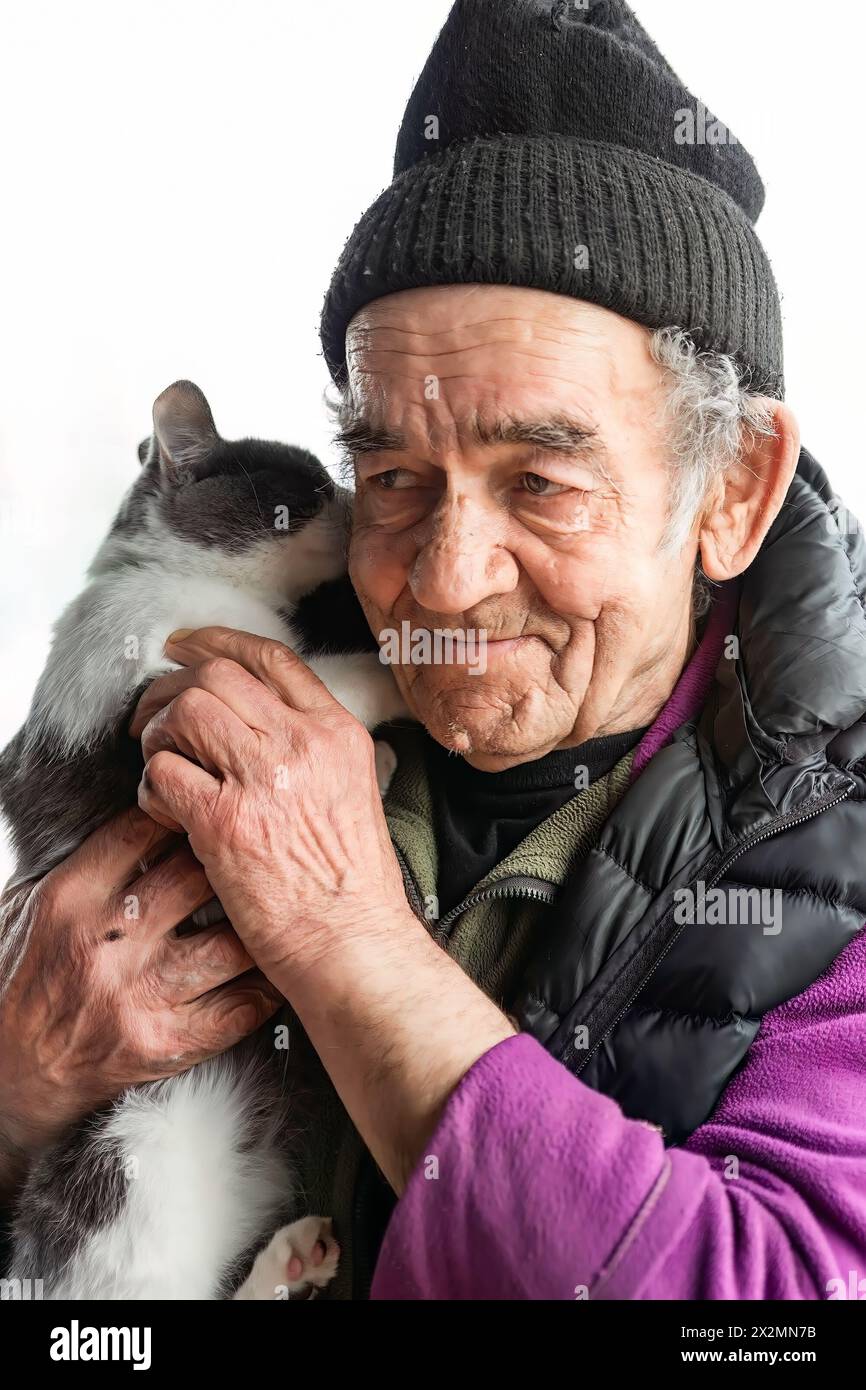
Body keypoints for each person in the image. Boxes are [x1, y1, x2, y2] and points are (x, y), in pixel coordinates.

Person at [2, 0, 865, 1300]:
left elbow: (765, 1305)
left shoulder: (835, 858)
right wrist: (18, 1084)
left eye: (540, 481)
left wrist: (342, 930)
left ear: (732, 490)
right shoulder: (212, 702)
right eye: (394, 474)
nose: (444, 582)